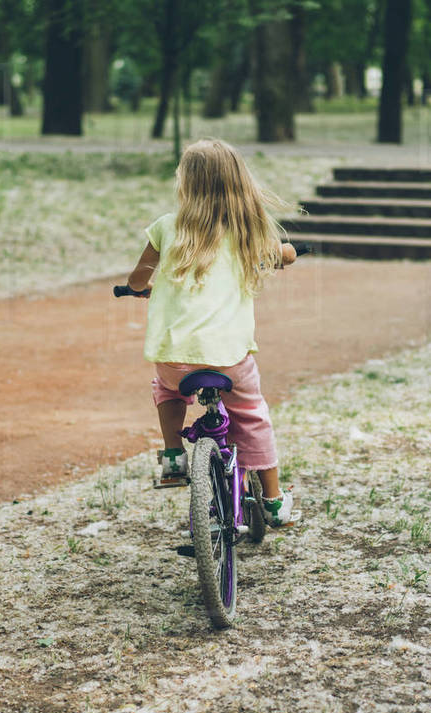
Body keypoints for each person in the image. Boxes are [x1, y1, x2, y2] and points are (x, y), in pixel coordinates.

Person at [125, 138, 299, 527]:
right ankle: (272, 500)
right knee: (252, 414)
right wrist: (288, 253)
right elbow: (282, 253)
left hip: (175, 360)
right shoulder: (245, 233)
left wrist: (140, 288)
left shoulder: (166, 229)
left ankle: (172, 456)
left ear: (185, 183)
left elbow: (138, 278)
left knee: (167, 390)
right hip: (230, 359)